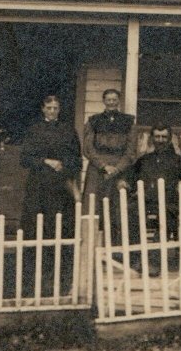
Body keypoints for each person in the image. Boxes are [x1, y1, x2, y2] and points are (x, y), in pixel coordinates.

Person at [118, 123, 181, 242]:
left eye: (164, 137)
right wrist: (123, 182)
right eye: (157, 136)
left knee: (166, 218)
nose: (160, 140)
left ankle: (156, 254)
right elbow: (128, 177)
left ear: (170, 138)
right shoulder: (144, 160)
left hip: (168, 205)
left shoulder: (179, 161)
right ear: (152, 138)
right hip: (145, 203)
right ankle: (135, 253)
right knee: (130, 212)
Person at [19, 94, 82, 240]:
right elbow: (25, 159)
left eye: (55, 108)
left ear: (59, 110)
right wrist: (46, 161)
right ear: (43, 109)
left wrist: (64, 165)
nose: (52, 111)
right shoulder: (34, 130)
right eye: (49, 108)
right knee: (36, 223)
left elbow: (77, 159)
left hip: (60, 184)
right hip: (39, 183)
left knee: (59, 223)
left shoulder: (68, 131)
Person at [82, 88, 136, 216]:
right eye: (108, 100)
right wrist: (104, 166)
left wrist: (117, 169)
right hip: (97, 168)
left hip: (120, 167)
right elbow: (88, 148)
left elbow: (131, 149)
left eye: (114, 100)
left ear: (119, 101)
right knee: (92, 203)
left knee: (117, 204)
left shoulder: (128, 121)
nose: (111, 102)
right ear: (103, 101)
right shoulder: (93, 121)